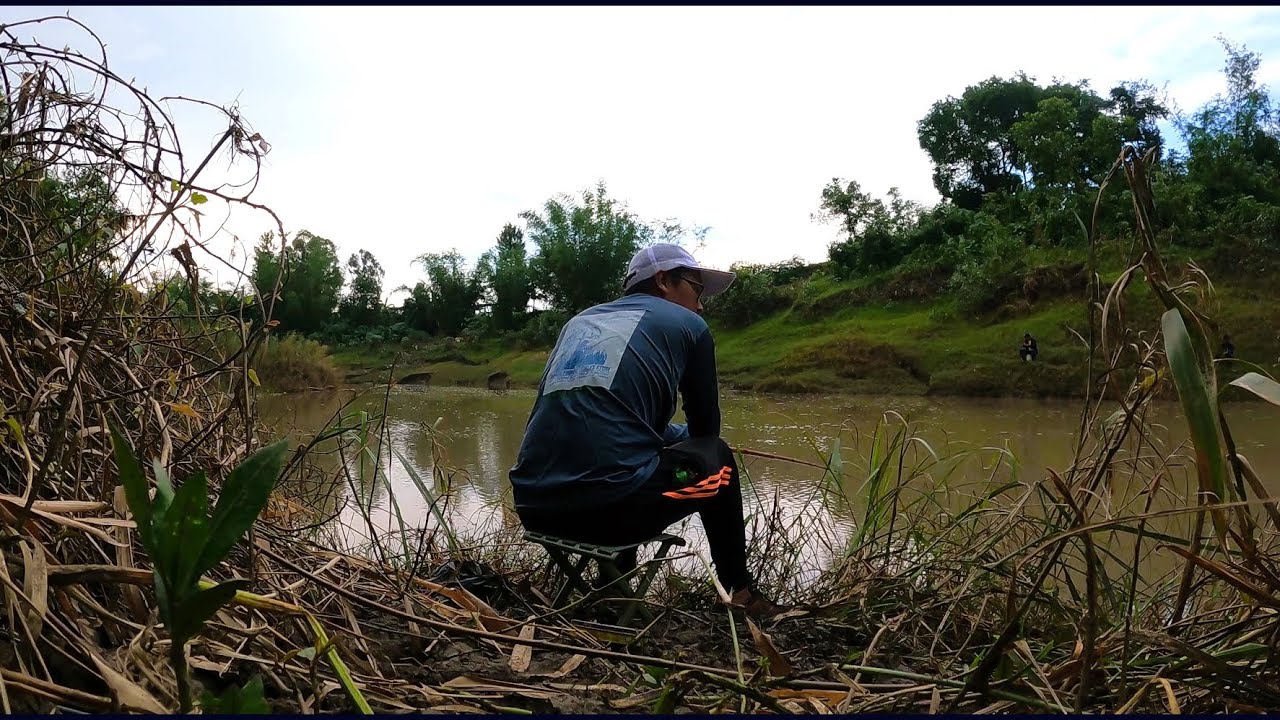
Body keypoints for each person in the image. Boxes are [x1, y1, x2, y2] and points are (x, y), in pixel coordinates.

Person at [509, 243, 785, 618]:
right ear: (663, 281)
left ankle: (614, 584)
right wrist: (695, 438)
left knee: (625, 458)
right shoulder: (690, 326)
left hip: (534, 506)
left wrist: (677, 435)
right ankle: (740, 593)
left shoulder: (581, 322)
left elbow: (629, 425)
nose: (701, 305)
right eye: (697, 289)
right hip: (608, 516)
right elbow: (706, 432)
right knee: (718, 457)